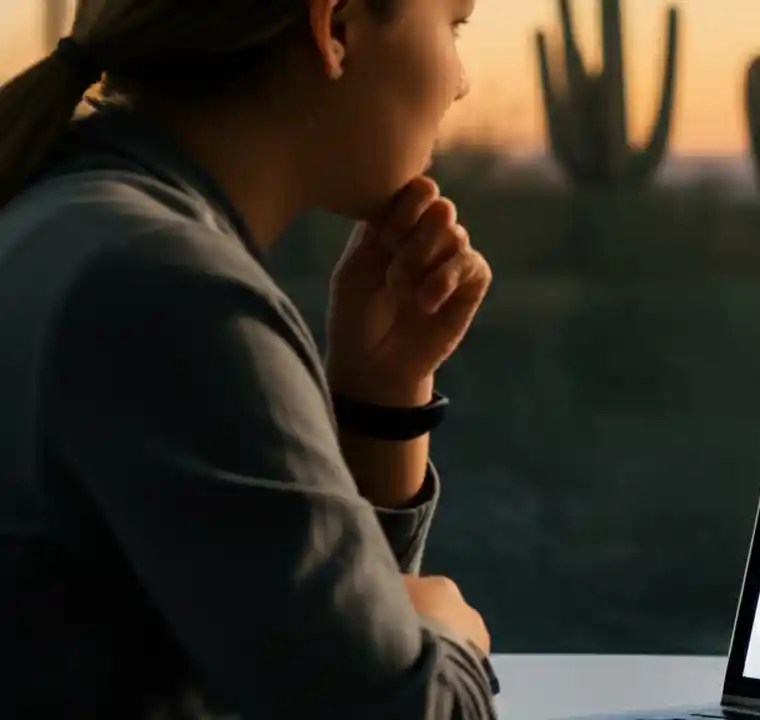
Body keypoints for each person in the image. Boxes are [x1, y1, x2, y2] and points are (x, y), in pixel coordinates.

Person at [0, 0, 499, 717]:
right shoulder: (167, 291)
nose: (460, 83)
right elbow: (388, 707)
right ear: (337, 29)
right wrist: (451, 630)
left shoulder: (77, 227)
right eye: (454, 26)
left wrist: (381, 394)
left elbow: (305, 644)